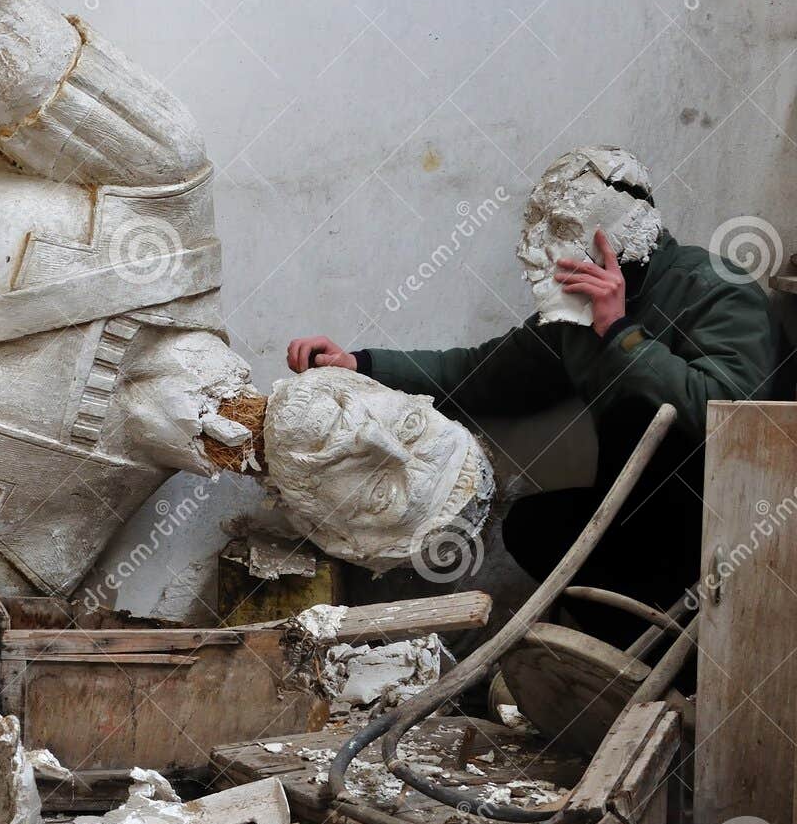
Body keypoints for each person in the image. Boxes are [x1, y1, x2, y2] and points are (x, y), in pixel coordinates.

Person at [287, 146, 781, 645]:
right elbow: (479, 371)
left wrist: (621, 332)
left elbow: (732, 416)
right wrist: (362, 363)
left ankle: (681, 663)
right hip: (633, 513)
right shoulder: (574, 313)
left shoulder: (714, 287)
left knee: (637, 425)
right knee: (535, 528)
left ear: (623, 231)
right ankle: (636, 661)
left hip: (729, 514)